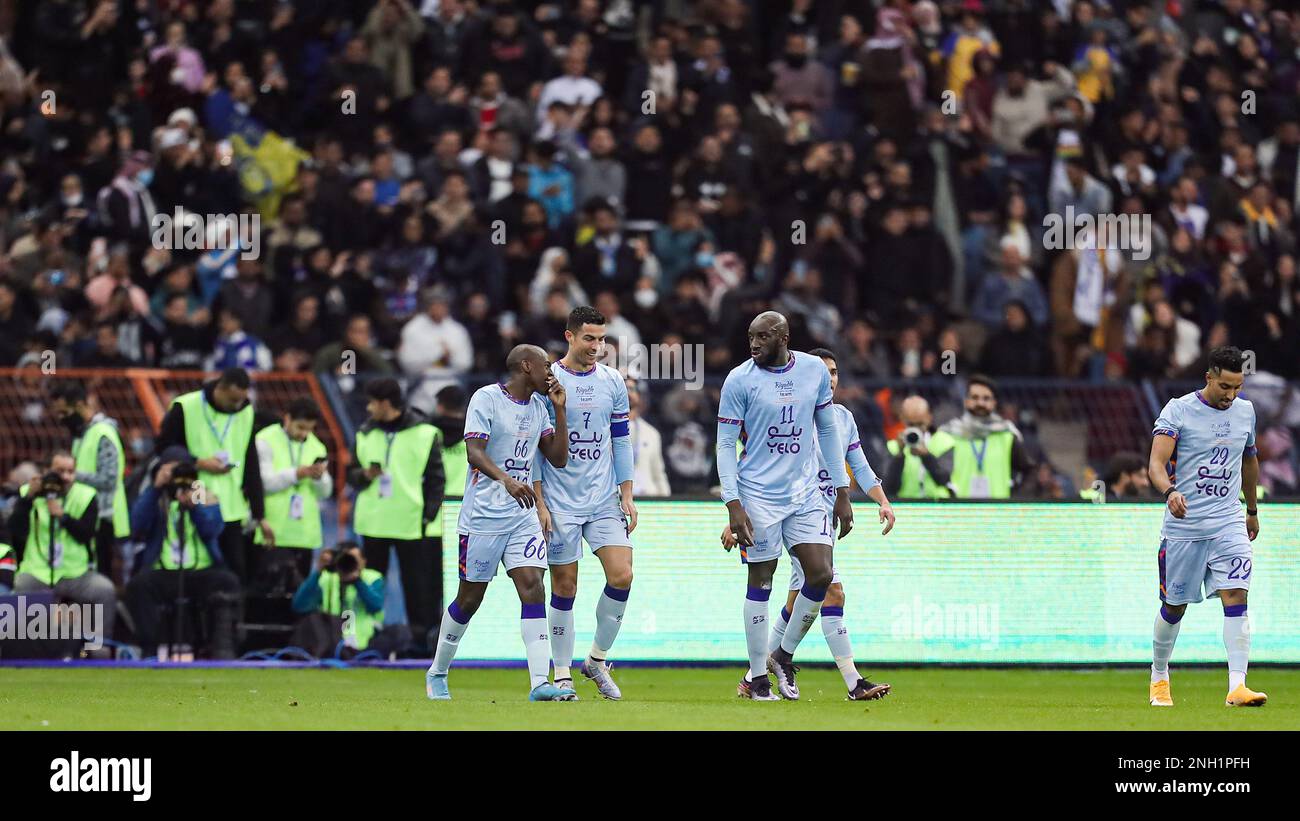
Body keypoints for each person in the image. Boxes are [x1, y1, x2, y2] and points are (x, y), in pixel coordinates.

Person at [727, 348, 896, 701]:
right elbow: (751, 461)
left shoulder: (843, 417)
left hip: (819, 519)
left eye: (834, 372)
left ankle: (756, 674)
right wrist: (736, 514)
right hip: (787, 512)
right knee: (828, 589)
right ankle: (847, 680)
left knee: (800, 600)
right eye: (824, 371)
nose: (830, 378)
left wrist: (881, 500)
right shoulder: (790, 411)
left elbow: (860, 466)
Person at [714, 311, 854, 701]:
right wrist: (733, 502)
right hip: (757, 495)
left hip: (806, 492)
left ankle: (781, 653)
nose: (753, 344)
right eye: (750, 337)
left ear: (783, 337)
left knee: (821, 575)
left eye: (762, 337)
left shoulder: (812, 371)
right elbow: (725, 445)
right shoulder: (739, 380)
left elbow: (826, 429)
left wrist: (841, 490)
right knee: (761, 582)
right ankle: (758, 678)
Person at [426, 344, 574, 702]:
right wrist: (506, 479)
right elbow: (473, 452)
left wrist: (559, 408)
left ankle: (541, 682)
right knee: (470, 598)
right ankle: (438, 671)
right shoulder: (486, 399)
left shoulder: (541, 406)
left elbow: (558, 459)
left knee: (533, 585)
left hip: (521, 514)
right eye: (545, 365)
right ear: (526, 366)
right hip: (483, 516)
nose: (551, 371)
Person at [1146, 346, 1266, 708]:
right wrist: (1169, 491)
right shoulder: (1178, 410)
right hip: (1185, 528)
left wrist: (1252, 509)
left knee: (1236, 596)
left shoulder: (1245, 412)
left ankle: (1237, 687)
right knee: (1174, 606)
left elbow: (1249, 459)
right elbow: (1155, 463)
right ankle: (1159, 675)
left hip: (1228, 521)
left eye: (1238, 387)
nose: (1231, 395)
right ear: (1209, 377)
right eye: (1225, 386)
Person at [532, 306, 636, 700]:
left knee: (622, 575)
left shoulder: (612, 381)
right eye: (589, 338)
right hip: (559, 500)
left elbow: (621, 440)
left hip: (603, 498)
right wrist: (540, 502)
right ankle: (562, 675)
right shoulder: (548, 381)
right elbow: (536, 448)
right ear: (570, 337)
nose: (596, 346)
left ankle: (595, 660)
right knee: (565, 585)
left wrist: (626, 492)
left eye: (601, 339)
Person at [348, 377, 444, 651]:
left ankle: (420, 640)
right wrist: (363, 475)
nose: (368, 409)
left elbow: (436, 480)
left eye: (371, 403)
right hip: (372, 521)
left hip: (410, 523)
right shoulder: (364, 432)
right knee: (370, 585)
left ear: (385, 403)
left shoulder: (425, 433)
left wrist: (427, 516)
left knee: (417, 587)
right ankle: (369, 638)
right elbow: (352, 474)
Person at [154, 367, 271, 582]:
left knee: (236, 572)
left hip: (232, 504)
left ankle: (233, 616)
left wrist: (259, 513)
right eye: (233, 399)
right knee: (201, 566)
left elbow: (251, 464)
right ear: (221, 388)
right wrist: (199, 462)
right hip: (196, 496)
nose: (238, 405)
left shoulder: (245, 411)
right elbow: (163, 448)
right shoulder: (186, 407)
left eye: (242, 400)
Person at [126, 449, 240, 659]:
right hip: (164, 571)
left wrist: (195, 506)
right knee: (138, 586)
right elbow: (136, 526)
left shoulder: (203, 493)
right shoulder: (155, 495)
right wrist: (156, 488)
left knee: (228, 581)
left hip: (200, 571)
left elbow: (213, 530)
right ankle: (149, 649)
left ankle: (222, 648)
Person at [10, 452, 116, 650]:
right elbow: (16, 529)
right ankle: (20, 649)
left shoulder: (86, 495)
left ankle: (100, 649)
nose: (66, 477)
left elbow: (87, 534)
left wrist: (63, 517)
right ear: (46, 471)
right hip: (38, 570)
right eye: (60, 471)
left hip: (75, 572)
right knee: (21, 586)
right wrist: (28, 499)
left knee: (105, 590)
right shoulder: (28, 491)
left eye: (70, 471)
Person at [49, 382, 130, 581]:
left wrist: (71, 477)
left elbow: (109, 479)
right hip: (86, 516)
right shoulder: (82, 434)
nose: (61, 418)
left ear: (78, 405)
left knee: (100, 581)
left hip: (104, 517)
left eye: (63, 412)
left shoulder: (103, 434)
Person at [255, 399, 332, 583]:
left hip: (304, 534)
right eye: (300, 427)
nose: (304, 433)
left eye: (310, 429)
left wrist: (319, 477)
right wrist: (297, 474)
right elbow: (264, 483)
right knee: (270, 595)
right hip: (272, 532)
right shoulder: (265, 440)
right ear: (287, 418)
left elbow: (325, 493)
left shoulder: (317, 446)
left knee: (299, 599)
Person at [930, 375, 1033, 498]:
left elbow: (1028, 470)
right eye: (975, 397)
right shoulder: (948, 433)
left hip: (998, 512)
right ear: (966, 401)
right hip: (959, 511)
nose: (980, 403)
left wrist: (1013, 494)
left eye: (986, 398)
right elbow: (933, 472)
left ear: (994, 403)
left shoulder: (1007, 434)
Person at [290, 541, 394, 658]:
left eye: (352, 559)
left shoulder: (372, 578)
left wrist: (357, 581)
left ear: (363, 562)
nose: (348, 563)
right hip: (330, 641)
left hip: (365, 642)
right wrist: (318, 572)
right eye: (344, 559)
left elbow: (375, 605)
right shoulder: (327, 578)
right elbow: (299, 605)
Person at [883, 395, 953, 499]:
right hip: (906, 507)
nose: (916, 430)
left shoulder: (944, 442)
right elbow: (889, 488)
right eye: (910, 424)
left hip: (937, 507)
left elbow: (945, 480)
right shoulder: (893, 447)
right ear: (902, 418)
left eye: (920, 424)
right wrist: (899, 455)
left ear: (929, 417)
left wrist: (927, 456)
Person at [626, 377, 670, 496]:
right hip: (618, 499)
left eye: (631, 389)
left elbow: (658, 473)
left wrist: (666, 502)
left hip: (648, 498)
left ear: (641, 396)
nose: (628, 393)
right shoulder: (605, 430)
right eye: (624, 389)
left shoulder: (651, 433)